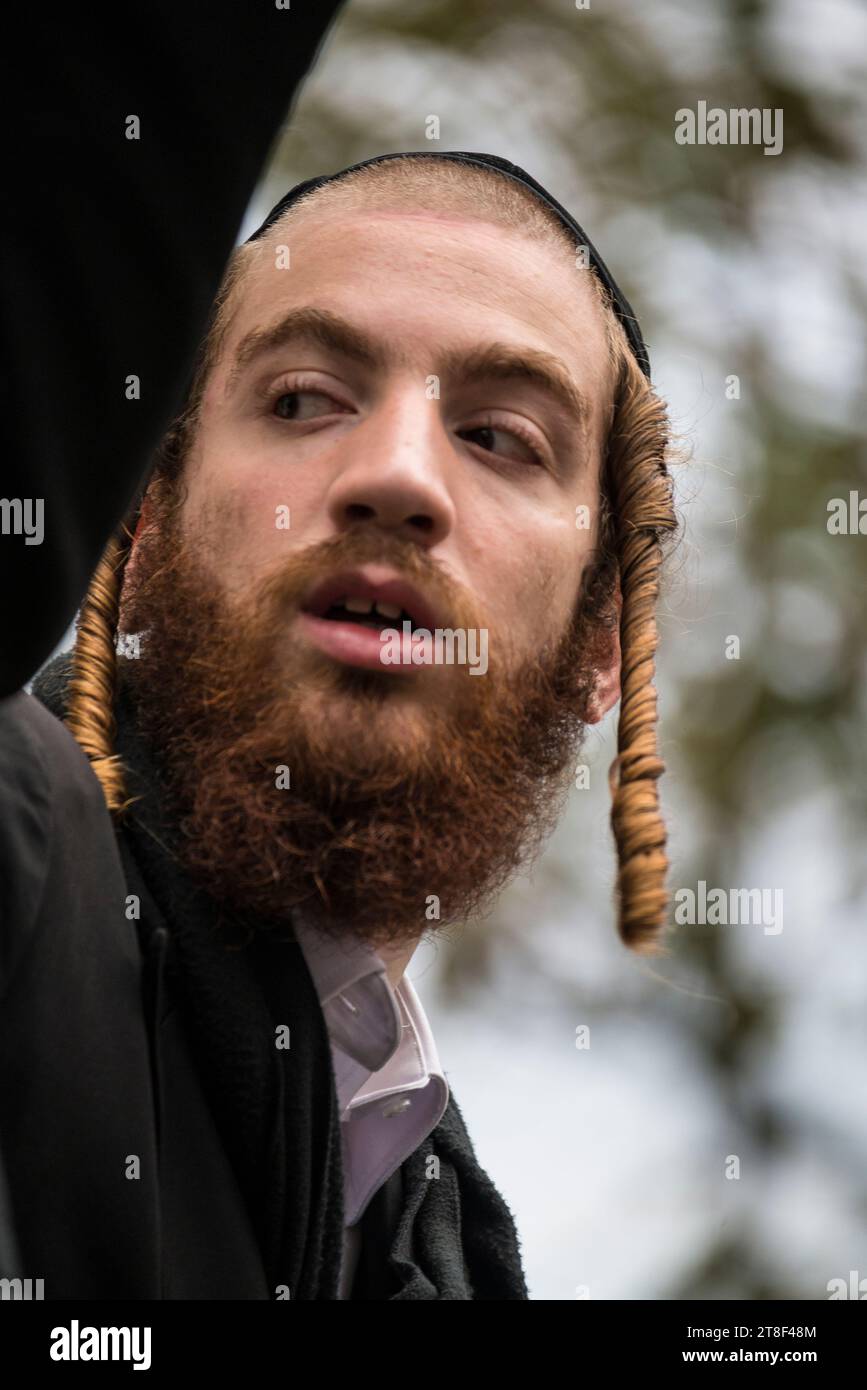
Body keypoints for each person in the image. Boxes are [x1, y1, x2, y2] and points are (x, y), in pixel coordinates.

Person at [1, 147, 678, 1299]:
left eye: (500, 435)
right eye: (303, 399)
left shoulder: (441, 1253)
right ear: (147, 513)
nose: (398, 475)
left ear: (603, 641)